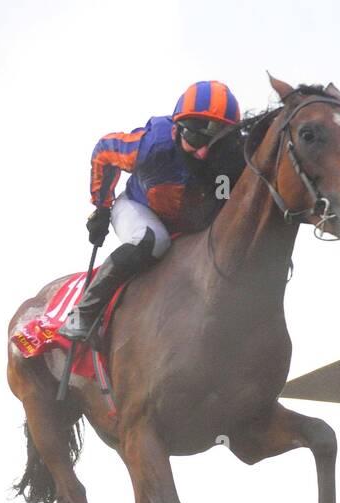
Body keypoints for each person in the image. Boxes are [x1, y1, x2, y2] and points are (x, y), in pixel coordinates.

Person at [59, 80, 242, 346]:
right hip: (139, 207)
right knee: (154, 240)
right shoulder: (149, 146)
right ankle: (84, 312)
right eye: (195, 138)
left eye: (215, 143)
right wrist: (101, 207)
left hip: (192, 220)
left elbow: (224, 195)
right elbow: (104, 151)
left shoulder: (228, 162)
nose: (204, 152)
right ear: (176, 130)